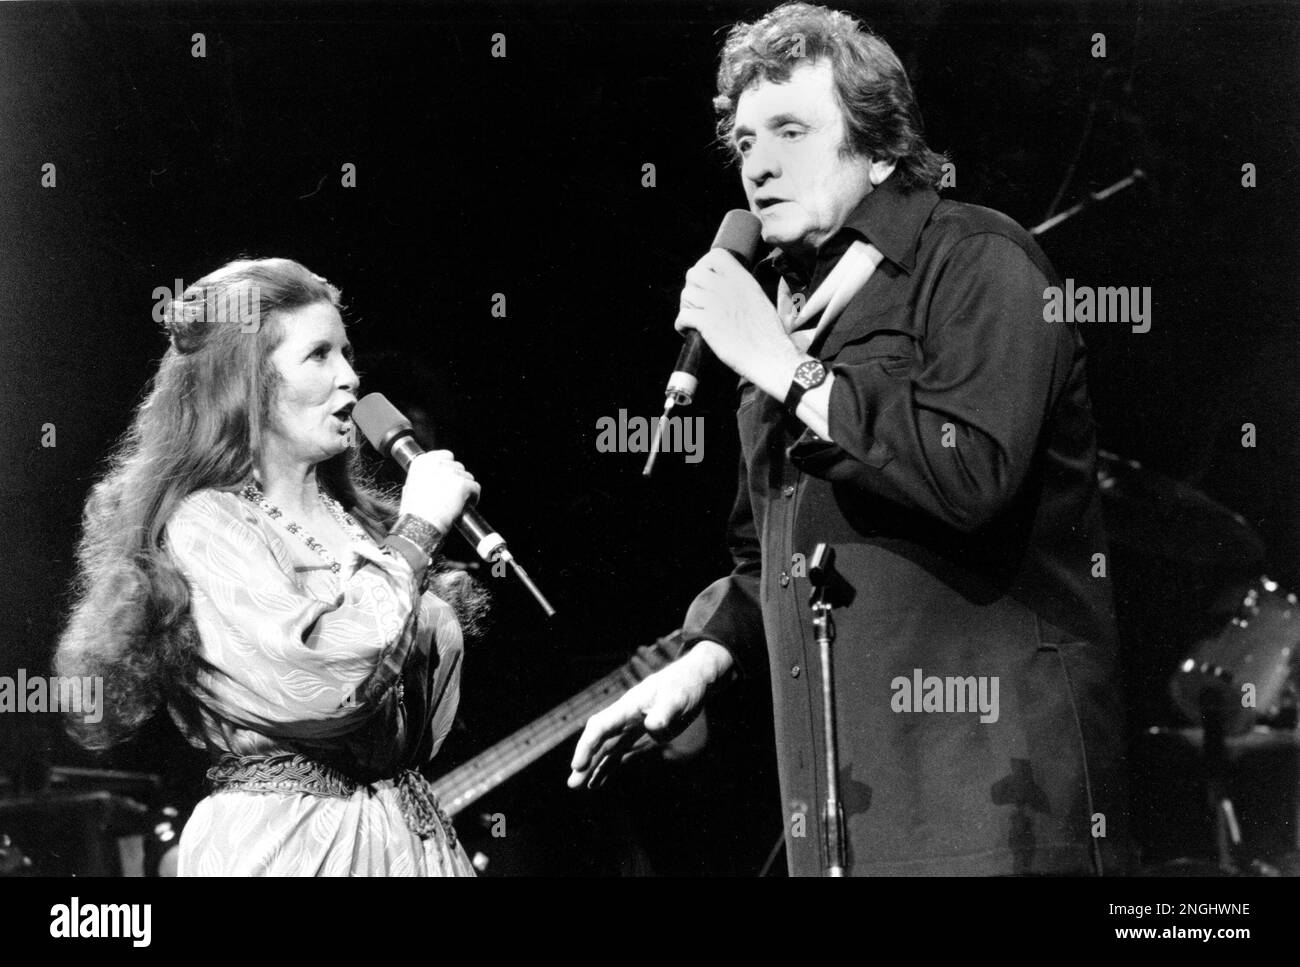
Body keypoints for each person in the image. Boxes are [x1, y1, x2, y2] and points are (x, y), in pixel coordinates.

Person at [569, 2, 1132, 876]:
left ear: (878, 148)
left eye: (790, 129)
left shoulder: (980, 259)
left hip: (991, 807)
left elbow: (972, 472)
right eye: (746, 140)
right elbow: (770, 560)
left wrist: (781, 369)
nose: (758, 164)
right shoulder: (790, 320)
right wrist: (701, 662)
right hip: (840, 815)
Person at [55, 257, 486, 876]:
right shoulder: (206, 524)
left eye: (347, 352)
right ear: (249, 382)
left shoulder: (362, 526)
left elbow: (421, 719)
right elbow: (322, 682)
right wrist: (417, 533)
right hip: (290, 848)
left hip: (407, 837)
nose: (351, 378)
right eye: (320, 356)